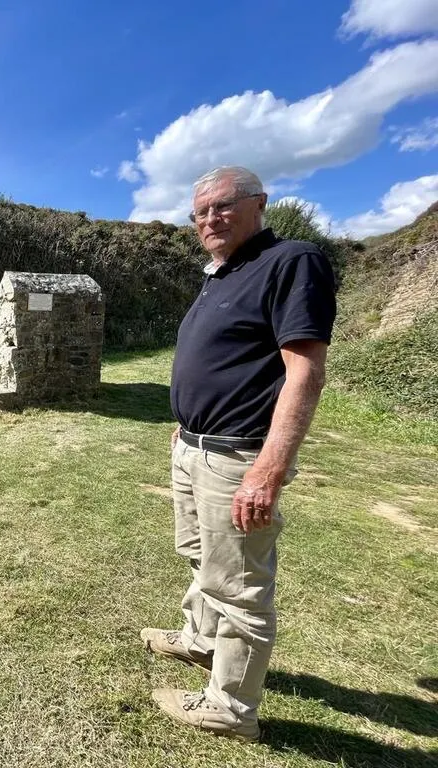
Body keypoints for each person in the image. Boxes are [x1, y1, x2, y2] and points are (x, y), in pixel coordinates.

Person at [140, 166, 336, 742]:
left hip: (239, 456)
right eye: (200, 212)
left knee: (240, 586)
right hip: (195, 445)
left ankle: (230, 707)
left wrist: (268, 469)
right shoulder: (222, 274)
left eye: (222, 206)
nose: (209, 219)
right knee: (200, 555)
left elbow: (305, 371)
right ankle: (201, 641)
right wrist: (187, 426)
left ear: (259, 203)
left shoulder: (292, 261)